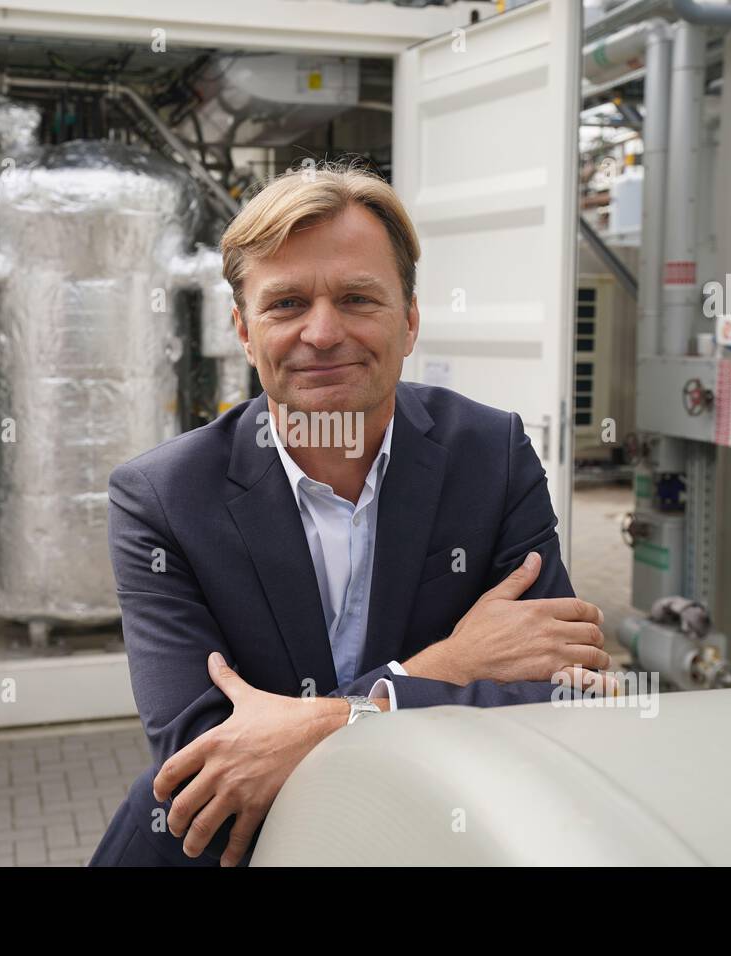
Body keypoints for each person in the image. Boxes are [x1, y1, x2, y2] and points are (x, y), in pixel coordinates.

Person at [89, 162, 609, 867]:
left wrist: (323, 722)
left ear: (411, 319)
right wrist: (451, 665)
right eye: (286, 305)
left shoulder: (491, 453)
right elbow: (203, 760)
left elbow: (562, 689)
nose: (323, 332)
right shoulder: (163, 498)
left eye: (358, 299)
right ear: (244, 331)